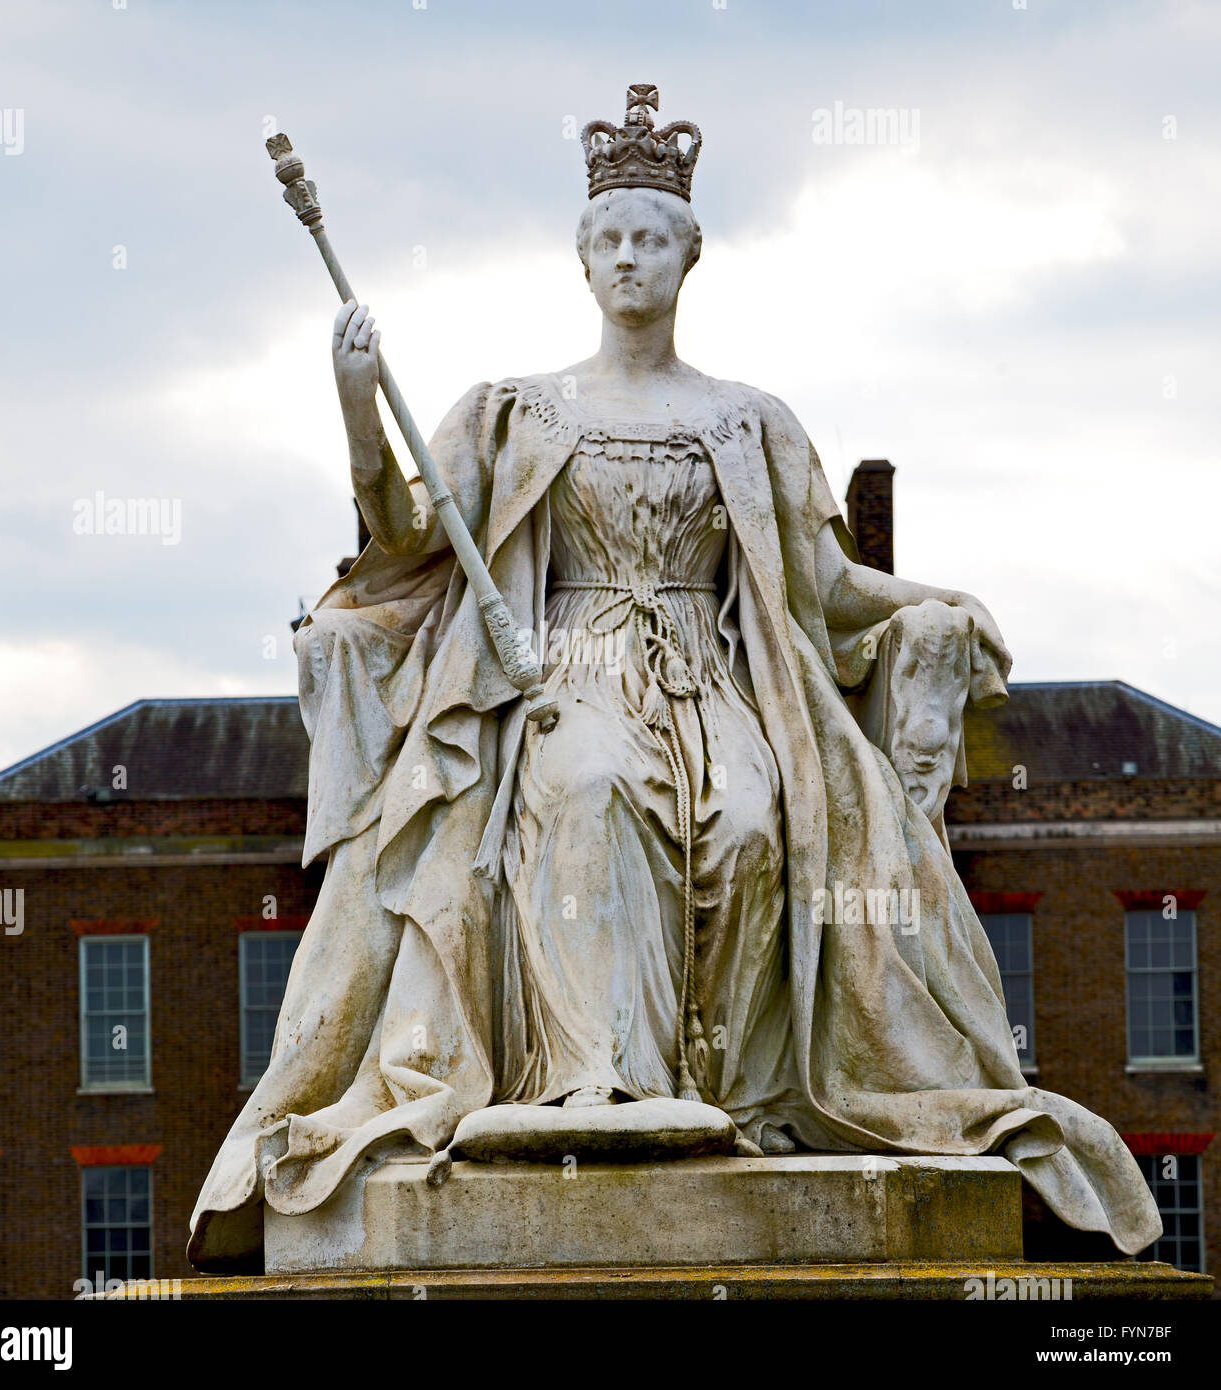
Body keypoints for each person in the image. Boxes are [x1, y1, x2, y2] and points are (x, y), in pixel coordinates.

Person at [189, 87, 1159, 1271]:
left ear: (690, 256)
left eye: (652, 237)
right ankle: (599, 1080)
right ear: (581, 260)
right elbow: (402, 540)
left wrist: (936, 602)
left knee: (756, 820)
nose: (629, 257)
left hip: (714, 681)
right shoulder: (515, 411)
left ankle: (735, 1093)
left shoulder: (747, 421)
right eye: (609, 239)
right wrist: (356, 409)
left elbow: (823, 586)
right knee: (591, 790)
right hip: (565, 673)